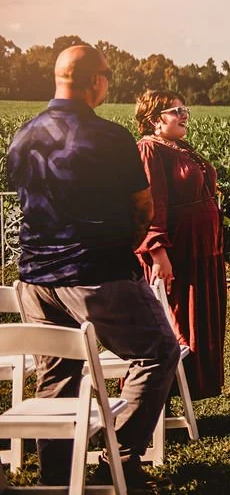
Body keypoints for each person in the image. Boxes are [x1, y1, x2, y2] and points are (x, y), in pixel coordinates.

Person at [6, 44, 180, 487]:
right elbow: (142, 209)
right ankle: (118, 456)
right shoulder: (109, 138)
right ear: (94, 82)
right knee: (158, 350)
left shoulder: (23, 136)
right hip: (96, 274)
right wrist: (124, 249)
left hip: (34, 278)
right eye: (106, 76)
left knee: (56, 377)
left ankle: (57, 478)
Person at [134, 89, 227, 399]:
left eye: (184, 108)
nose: (183, 114)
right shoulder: (150, 150)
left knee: (197, 320)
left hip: (201, 251)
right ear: (153, 119)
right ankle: (159, 399)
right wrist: (158, 253)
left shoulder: (178, 147)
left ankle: (192, 390)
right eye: (175, 110)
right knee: (176, 323)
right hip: (179, 254)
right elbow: (150, 206)